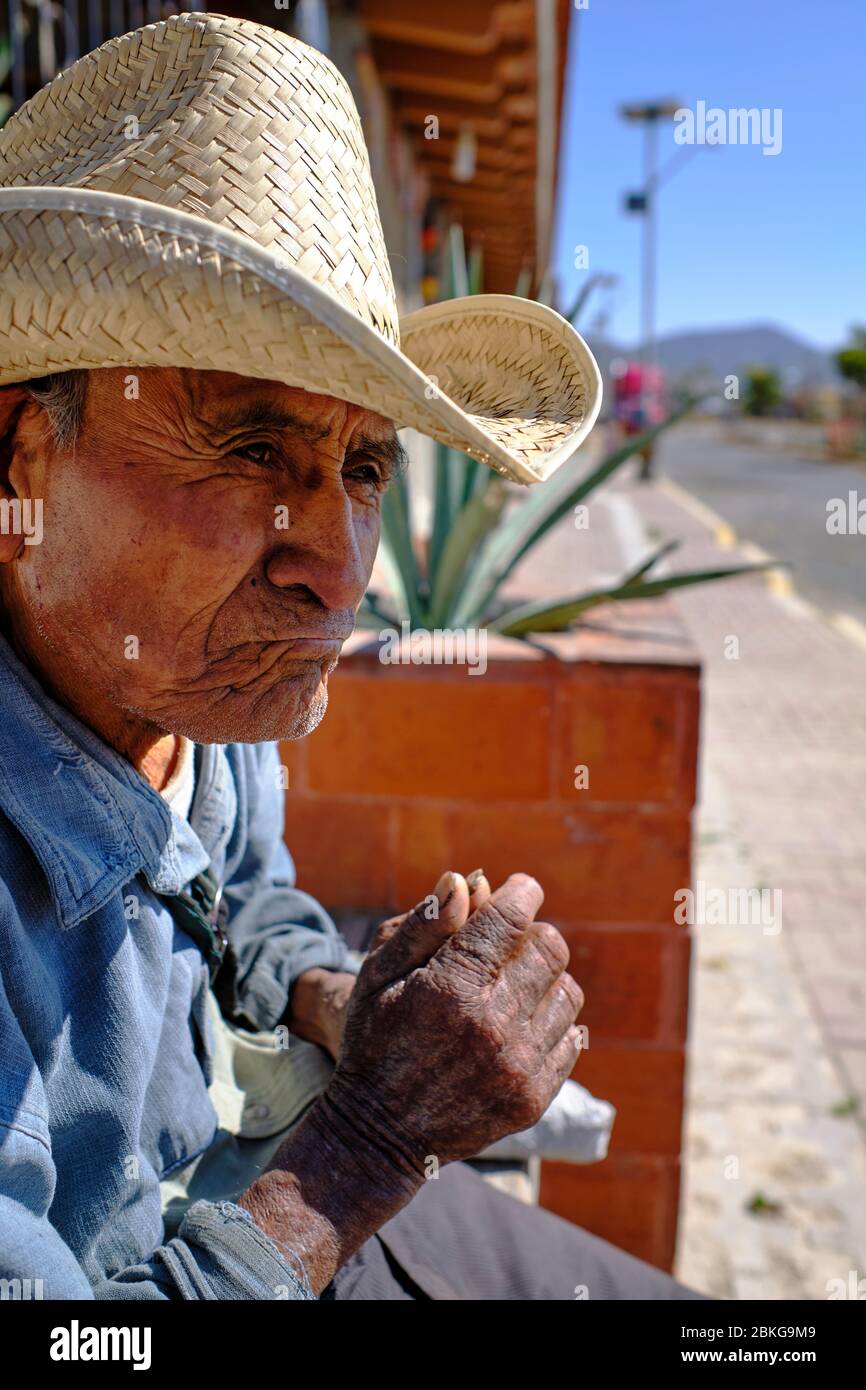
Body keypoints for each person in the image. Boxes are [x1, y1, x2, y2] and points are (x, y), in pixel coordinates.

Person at [0, 12, 702, 1301]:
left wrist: (335, 998)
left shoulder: (193, 704)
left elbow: (244, 896)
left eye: (362, 464)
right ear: (17, 463)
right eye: (253, 449)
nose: (333, 560)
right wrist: (371, 1140)